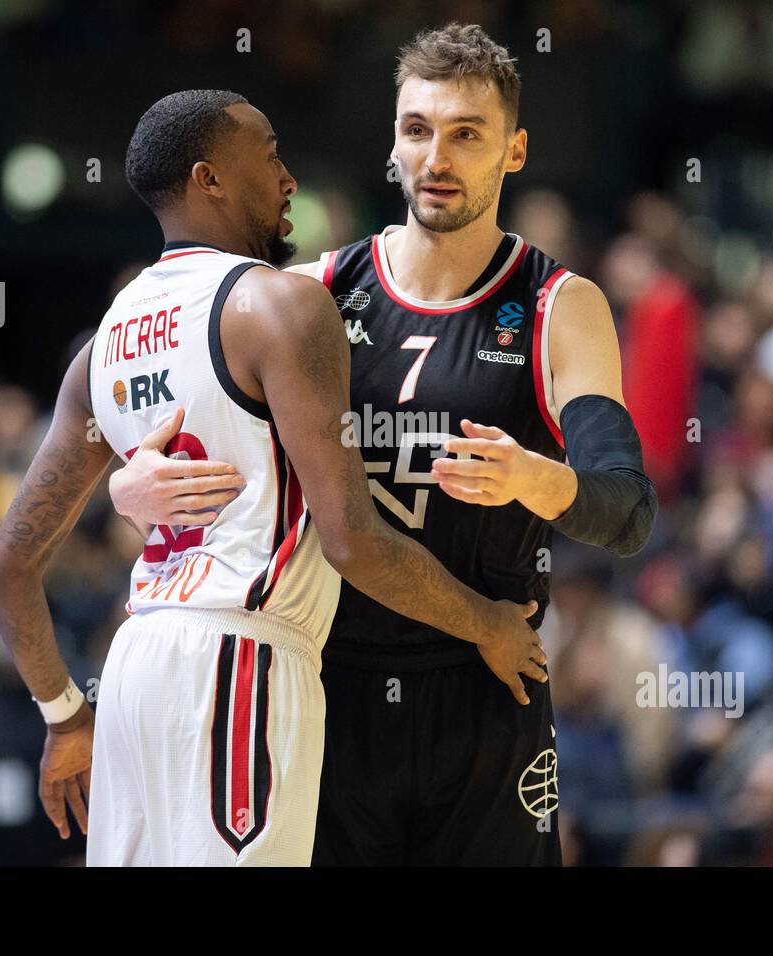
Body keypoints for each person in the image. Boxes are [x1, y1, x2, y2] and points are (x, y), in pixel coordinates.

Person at [110, 26, 657, 865]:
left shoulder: (558, 303)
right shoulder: (312, 290)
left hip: (488, 683)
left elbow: (628, 510)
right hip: (327, 686)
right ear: (394, 142)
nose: (437, 156)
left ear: (513, 152)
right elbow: (130, 391)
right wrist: (126, 481)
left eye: (466, 133)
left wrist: (532, 478)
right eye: (417, 129)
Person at [0, 88, 545, 866]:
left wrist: (63, 715)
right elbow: (354, 543)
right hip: (241, 661)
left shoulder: (102, 344)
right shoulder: (281, 306)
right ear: (210, 178)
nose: (288, 179)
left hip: (134, 669)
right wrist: (491, 624)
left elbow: (8, 569)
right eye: (271, 155)